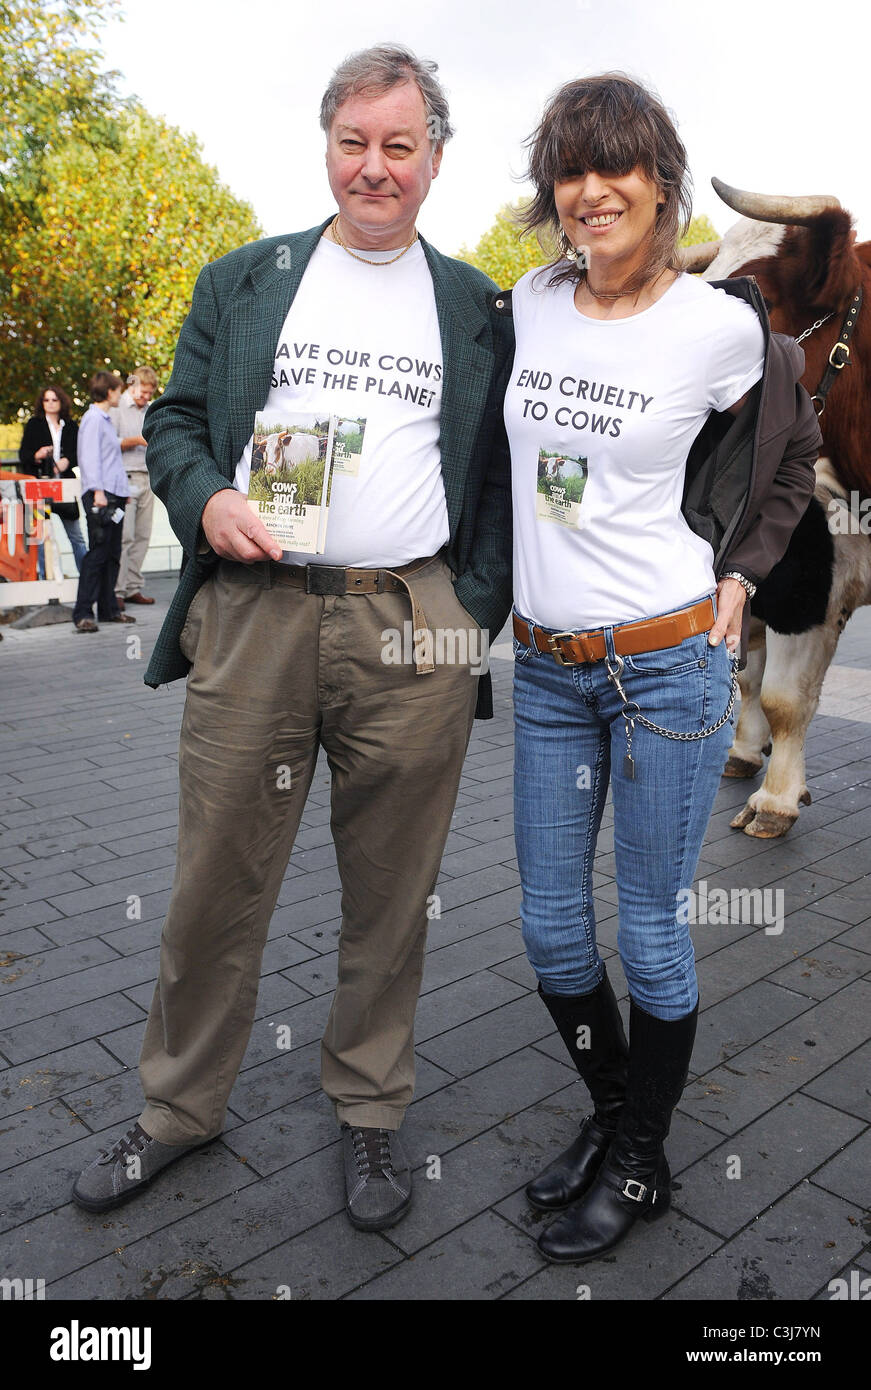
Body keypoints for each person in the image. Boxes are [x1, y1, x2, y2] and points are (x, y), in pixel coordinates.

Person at [72, 44, 512, 1232]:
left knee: (393, 890)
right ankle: (176, 1110)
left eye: (398, 146)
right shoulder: (245, 278)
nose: (373, 168)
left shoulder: (477, 306)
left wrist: (470, 609)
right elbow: (170, 419)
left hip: (411, 620)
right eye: (352, 142)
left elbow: (505, 477)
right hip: (257, 613)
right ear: (327, 145)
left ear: (434, 157)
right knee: (214, 877)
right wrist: (207, 493)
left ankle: (369, 1112)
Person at [500, 73, 820, 1264]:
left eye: (613, 166)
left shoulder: (721, 326)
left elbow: (783, 468)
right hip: (542, 674)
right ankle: (613, 1118)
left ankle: (637, 1164)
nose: (590, 191)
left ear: (659, 178)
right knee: (546, 930)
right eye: (569, 171)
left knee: (650, 933)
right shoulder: (531, 304)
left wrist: (738, 576)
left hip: (666, 671)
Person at [71, 372, 137, 633]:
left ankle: (109, 610)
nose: (120, 395)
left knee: (112, 554)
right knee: (97, 554)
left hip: (115, 494)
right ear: (108, 391)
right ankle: (83, 612)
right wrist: (98, 492)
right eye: (118, 390)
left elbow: (111, 459)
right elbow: (89, 458)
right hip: (101, 495)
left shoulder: (105, 420)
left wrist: (123, 492)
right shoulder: (93, 420)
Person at [18, 385, 87, 574]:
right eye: (46, 400)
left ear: (61, 402)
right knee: (40, 537)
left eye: (54, 399)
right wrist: (37, 455)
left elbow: (80, 452)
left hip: (65, 488)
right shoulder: (34, 424)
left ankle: (86, 578)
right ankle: (45, 577)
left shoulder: (71, 426)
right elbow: (23, 454)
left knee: (77, 536)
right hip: (40, 489)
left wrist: (67, 461)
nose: (50, 403)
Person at [110, 366, 159, 607]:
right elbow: (109, 442)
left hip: (147, 476)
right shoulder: (117, 406)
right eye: (142, 391)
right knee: (124, 537)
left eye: (149, 393)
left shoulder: (152, 410)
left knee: (142, 536)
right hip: (124, 478)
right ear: (132, 385)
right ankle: (117, 590)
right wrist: (137, 441)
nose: (145, 397)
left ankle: (132, 587)